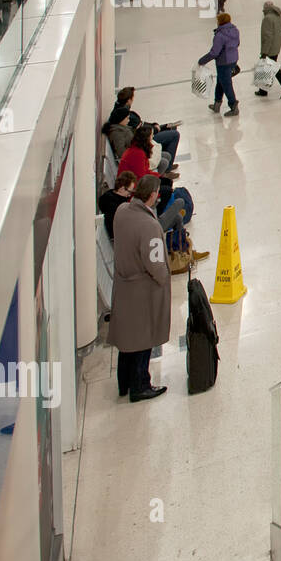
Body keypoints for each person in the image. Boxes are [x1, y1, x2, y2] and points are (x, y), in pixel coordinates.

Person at [110, 175, 170, 402]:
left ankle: (123, 382)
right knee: (143, 338)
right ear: (153, 195)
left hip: (123, 285)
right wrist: (163, 278)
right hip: (142, 290)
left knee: (127, 339)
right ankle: (140, 385)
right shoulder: (149, 225)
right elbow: (155, 263)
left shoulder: (122, 212)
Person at [106, 86, 180, 170]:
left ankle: (166, 166)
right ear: (129, 100)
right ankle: (167, 169)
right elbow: (123, 152)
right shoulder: (121, 120)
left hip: (143, 140)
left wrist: (154, 126)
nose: (128, 119)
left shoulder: (122, 116)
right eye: (127, 118)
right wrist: (154, 130)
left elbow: (140, 125)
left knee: (170, 130)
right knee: (174, 135)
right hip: (144, 140)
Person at [200, 12, 241, 116]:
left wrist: (202, 61)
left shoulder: (220, 35)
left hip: (223, 62)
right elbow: (237, 43)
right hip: (233, 60)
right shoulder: (235, 31)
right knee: (221, 81)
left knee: (226, 84)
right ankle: (217, 104)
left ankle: (233, 106)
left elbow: (214, 52)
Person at [255, 1, 281, 99]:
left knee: (273, 69)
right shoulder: (278, 16)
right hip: (277, 46)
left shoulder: (267, 19)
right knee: (267, 68)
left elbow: (267, 37)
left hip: (270, 48)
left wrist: (264, 52)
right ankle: (263, 90)